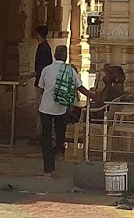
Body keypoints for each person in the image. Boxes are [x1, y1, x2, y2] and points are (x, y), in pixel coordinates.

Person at [35, 44, 92, 177]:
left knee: (46, 137)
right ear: (65, 57)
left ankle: (48, 168)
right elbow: (80, 87)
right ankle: (59, 152)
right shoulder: (69, 70)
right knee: (60, 132)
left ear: (55, 55)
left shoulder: (46, 69)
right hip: (60, 108)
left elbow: (41, 88)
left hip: (45, 107)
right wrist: (92, 96)